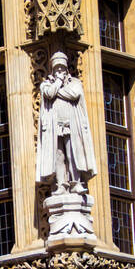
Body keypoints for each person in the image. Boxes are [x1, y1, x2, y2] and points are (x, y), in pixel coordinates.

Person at [35, 49, 96, 194]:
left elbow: (74, 94)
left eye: (62, 68)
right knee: (59, 155)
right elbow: (49, 94)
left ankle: (75, 182)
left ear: (67, 69)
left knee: (72, 152)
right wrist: (58, 82)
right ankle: (62, 184)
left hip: (71, 124)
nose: (60, 71)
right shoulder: (46, 84)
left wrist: (57, 90)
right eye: (57, 68)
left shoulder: (75, 82)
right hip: (54, 126)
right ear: (53, 69)